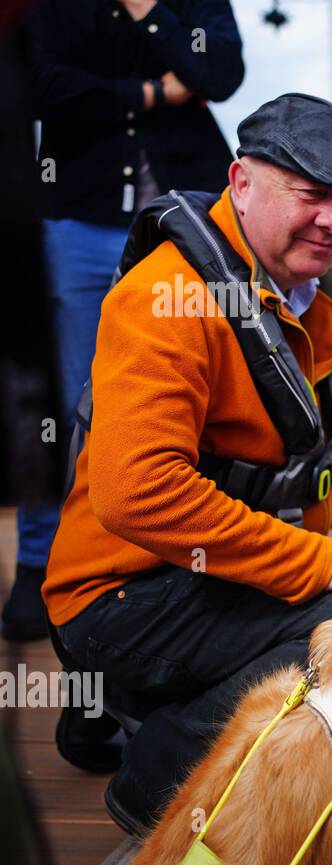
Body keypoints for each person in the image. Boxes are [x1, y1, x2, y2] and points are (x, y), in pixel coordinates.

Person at [42, 93, 332, 836]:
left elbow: (288, 457)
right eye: (312, 195)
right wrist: (322, 563)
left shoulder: (306, 294)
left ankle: (119, 707)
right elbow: (136, 497)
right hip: (118, 596)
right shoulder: (166, 299)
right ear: (240, 183)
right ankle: (163, 782)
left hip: (193, 577)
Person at [4, 0, 245, 642]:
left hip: (186, 221)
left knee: (196, 388)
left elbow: (220, 72)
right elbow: (48, 91)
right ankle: (40, 560)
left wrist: (148, 10)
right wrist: (155, 89)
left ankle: (173, 556)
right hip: (79, 218)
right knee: (68, 395)